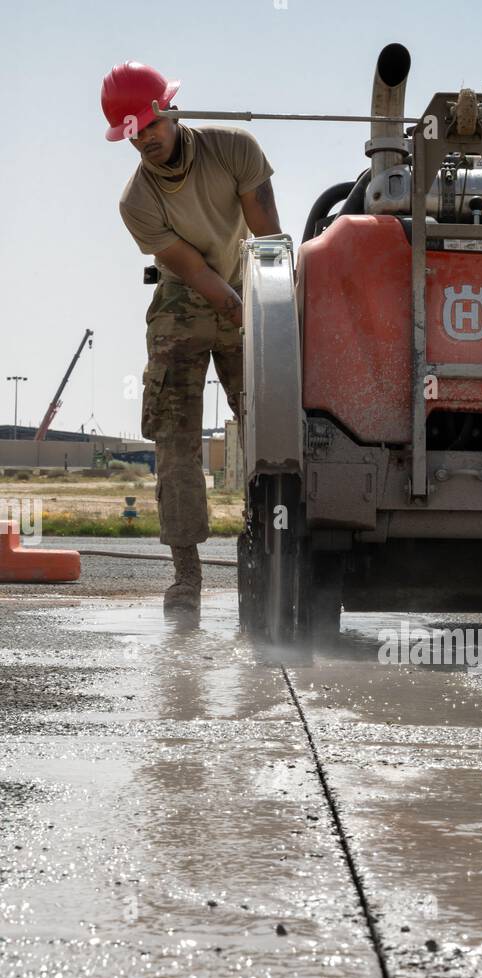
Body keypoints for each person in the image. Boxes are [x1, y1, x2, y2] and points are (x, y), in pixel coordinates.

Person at [101, 61, 282, 611]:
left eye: (151, 124)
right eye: (133, 133)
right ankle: (187, 578)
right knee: (176, 440)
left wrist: (269, 313)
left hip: (247, 285)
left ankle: (275, 555)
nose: (145, 140)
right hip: (183, 301)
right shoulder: (137, 202)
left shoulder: (235, 150)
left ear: (171, 110)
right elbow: (194, 272)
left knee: (274, 428)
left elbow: (269, 239)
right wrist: (233, 307)